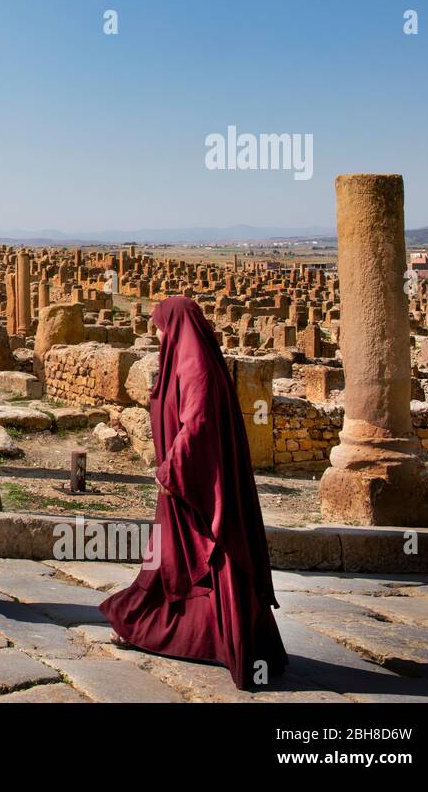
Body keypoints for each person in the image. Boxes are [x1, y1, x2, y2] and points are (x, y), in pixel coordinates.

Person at [100, 296, 288, 691]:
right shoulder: (190, 355)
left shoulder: (193, 362)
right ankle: (196, 635)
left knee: (191, 557)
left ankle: (149, 627)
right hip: (190, 481)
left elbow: (198, 419)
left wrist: (173, 469)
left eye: (160, 325)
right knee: (173, 558)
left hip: (195, 484)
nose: (157, 332)